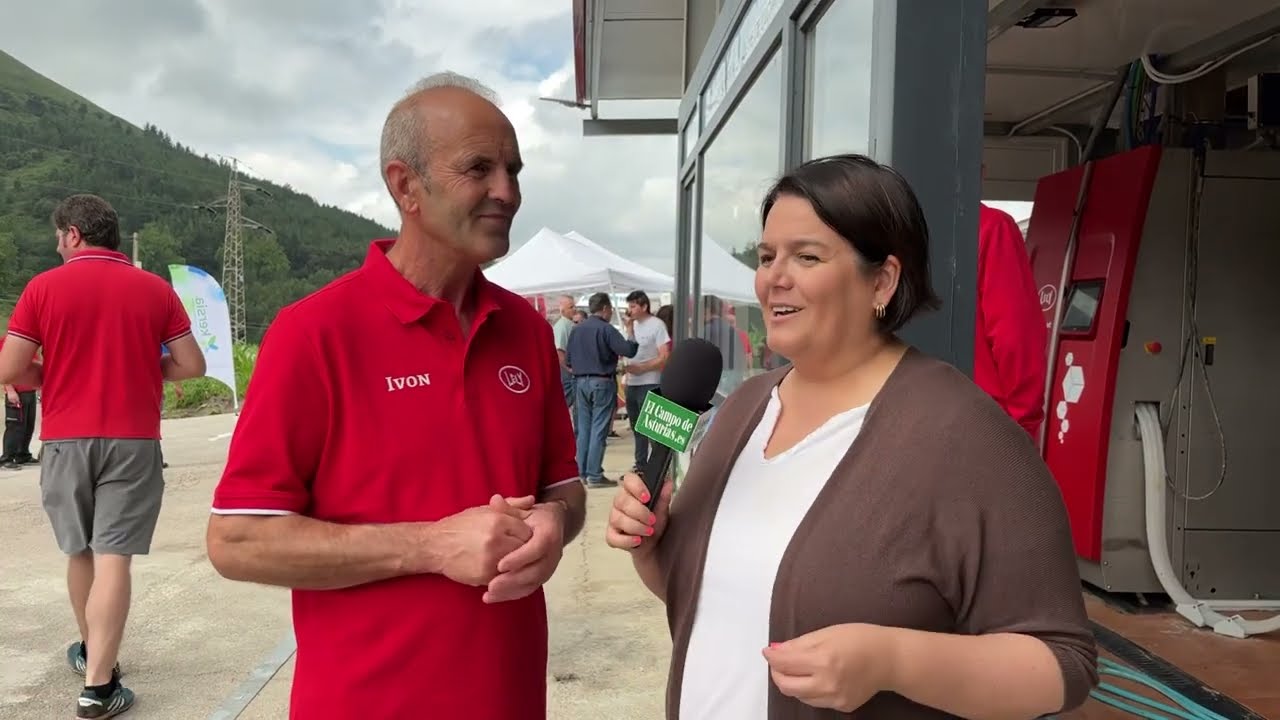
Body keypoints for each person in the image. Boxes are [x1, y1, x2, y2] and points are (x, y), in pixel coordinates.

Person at [605, 154, 1097, 720]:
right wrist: (651, 546)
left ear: (882, 280)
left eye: (806, 256)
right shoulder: (742, 410)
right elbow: (703, 601)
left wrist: (893, 661)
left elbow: (1064, 664)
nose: (774, 277)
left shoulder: (965, 436)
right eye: (767, 257)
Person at [204, 72, 585, 720]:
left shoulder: (524, 329)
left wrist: (555, 524)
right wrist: (431, 546)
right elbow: (237, 540)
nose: (508, 192)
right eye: (479, 169)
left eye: (514, 170)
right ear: (405, 185)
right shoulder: (315, 335)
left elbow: (563, 489)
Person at [0, 193, 207, 719]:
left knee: (81, 553)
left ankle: (94, 653)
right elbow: (190, 365)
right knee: (115, 555)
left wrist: (54, 374)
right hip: (135, 440)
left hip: (66, 438)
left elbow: (11, 369)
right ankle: (97, 686)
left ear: (72, 234)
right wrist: (142, 369)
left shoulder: (44, 287)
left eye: (58, 237)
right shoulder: (154, 289)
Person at [974, 194, 1047, 438]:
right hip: (987, 425)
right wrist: (1023, 429)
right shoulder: (991, 228)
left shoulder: (892, 231)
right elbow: (1016, 337)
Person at [565, 292, 637, 488]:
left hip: (580, 382)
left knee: (584, 430)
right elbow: (629, 350)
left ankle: (581, 472)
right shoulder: (606, 329)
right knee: (599, 429)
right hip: (602, 382)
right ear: (605, 309)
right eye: (610, 310)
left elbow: (568, 360)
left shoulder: (577, 330)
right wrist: (630, 331)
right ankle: (595, 475)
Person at [620, 290, 670, 474]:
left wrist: (643, 368)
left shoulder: (657, 325)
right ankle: (641, 463)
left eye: (633, 306)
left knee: (651, 426)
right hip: (632, 382)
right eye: (629, 306)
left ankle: (658, 464)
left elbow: (664, 356)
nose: (630, 310)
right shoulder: (631, 326)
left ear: (644, 306)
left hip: (649, 381)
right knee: (636, 426)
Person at [1, 340, 40, 468]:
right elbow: (2, 368)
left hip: (29, 390)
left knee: (28, 425)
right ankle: (7, 457)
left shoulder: (31, 344)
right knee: (15, 426)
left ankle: (22, 455)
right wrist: (9, 390)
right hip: (16, 392)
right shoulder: (7, 342)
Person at [551, 294, 576, 410]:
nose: (574, 309)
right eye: (571, 307)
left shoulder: (570, 324)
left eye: (574, 306)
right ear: (563, 310)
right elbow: (559, 351)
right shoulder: (562, 326)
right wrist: (569, 369)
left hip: (570, 370)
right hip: (566, 371)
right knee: (566, 402)